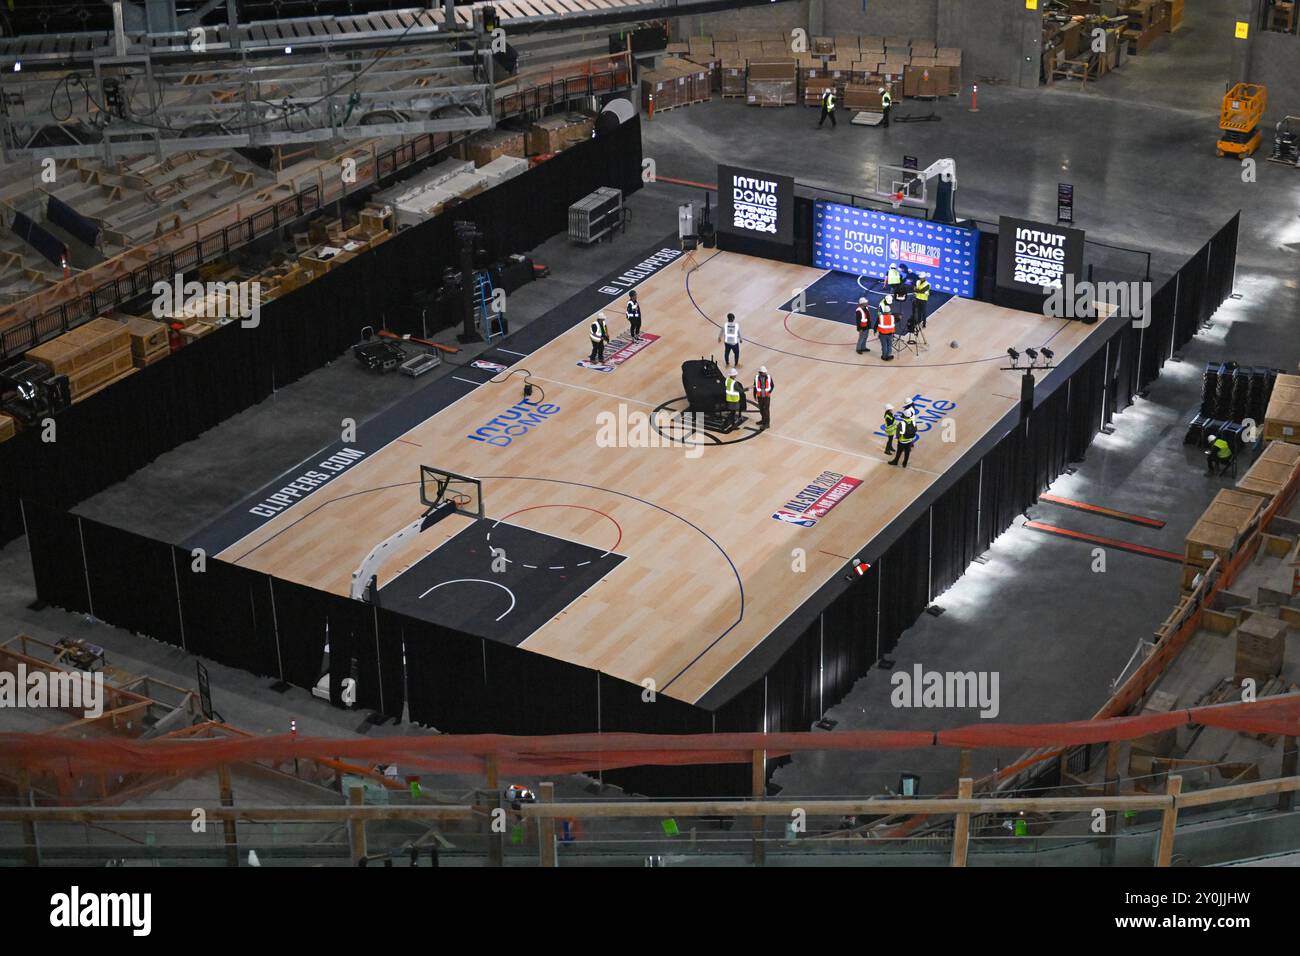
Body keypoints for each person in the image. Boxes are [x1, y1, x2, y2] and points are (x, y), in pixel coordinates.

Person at [877, 296, 897, 361]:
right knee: (889, 345)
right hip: (890, 333)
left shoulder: (881, 317)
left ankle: (884, 356)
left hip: (882, 334)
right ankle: (889, 355)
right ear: (889, 311)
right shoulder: (892, 317)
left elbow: (878, 321)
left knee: (884, 346)